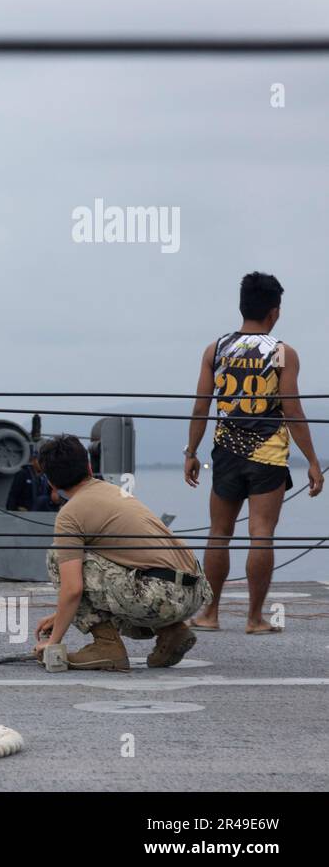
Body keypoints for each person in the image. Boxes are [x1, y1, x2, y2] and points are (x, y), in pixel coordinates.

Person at [184, 272, 322, 634]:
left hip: (226, 451)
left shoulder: (216, 349)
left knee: (218, 532)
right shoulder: (282, 352)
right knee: (261, 533)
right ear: (274, 312)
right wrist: (312, 461)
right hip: (269, 455)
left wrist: (191, 452)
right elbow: (292, 410)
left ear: (242, 305)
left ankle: (209, 615)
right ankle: (254, 618)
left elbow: (201, 407)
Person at [33, 435, 211, 671]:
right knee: (108, 563)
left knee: (59, 558)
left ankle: (107, 647)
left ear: (51, 483)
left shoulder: (69, 515)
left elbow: (73, 589)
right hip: (194, 592)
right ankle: (171, 632)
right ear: (88, 467)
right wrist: (60, 617)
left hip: (161, 596)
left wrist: (52, 644)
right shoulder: (114, 491)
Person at [7, 445, 64, 512]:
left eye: (44, 461)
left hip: (40, 513)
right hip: (24, 513)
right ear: (33, 460)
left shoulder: (47, 477)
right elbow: (13, 496)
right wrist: (13, 511)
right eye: (40, 460)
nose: (42, 463)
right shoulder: (23, 474)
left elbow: (51, 496)